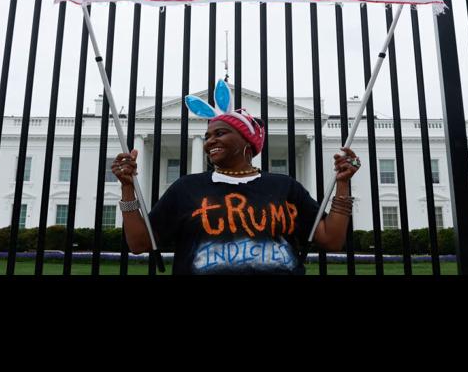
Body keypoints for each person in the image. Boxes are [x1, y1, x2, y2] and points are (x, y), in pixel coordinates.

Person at [109, 105, 360, 274]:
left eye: (221, 133)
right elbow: (140, 243)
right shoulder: (186, 188)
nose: (210, 141)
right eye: (208, 136)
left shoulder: (284, 187)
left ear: (247, 142)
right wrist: (128, 188)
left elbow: (332, 239)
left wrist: (342, 183)